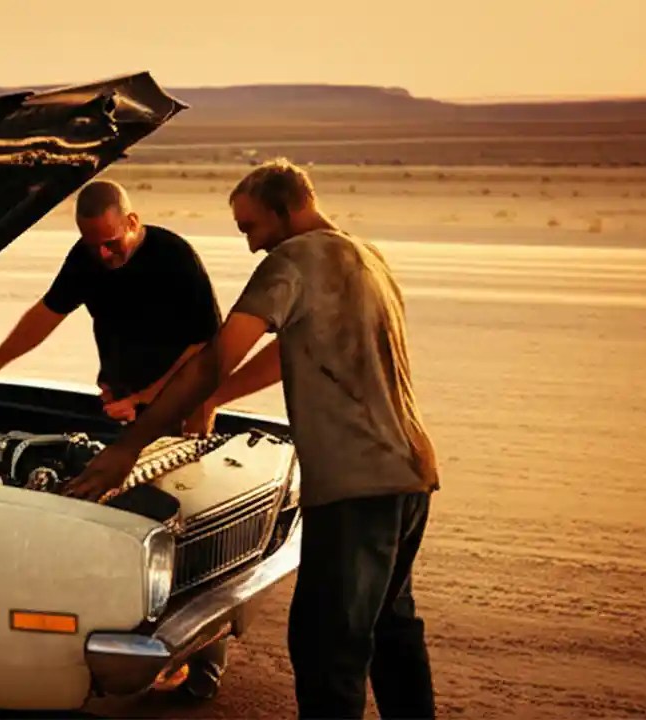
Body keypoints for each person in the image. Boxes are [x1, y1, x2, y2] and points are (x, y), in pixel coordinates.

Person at [65, 159, 440, 719]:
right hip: (410, 474)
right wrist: (214, 401)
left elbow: (216, 356)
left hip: (356, 484)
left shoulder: (293, 260)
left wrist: (129, 446)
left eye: (252, 228)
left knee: (326, 648)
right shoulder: (365, 257)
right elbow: (290, 354)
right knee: (391, 630)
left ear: (285, 211)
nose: (250, 246)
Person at [0, 178, 230, 698]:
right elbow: (46, 315)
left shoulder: (173, 258)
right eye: (93, 243)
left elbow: (207, 347)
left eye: (112, 241)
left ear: (134, 223)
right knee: (124, 519)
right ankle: (128, 638)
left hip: (184, 398)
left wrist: (149, 399)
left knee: (184, 522)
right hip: (123, 398)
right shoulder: (87, 257)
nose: (104, 253)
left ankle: (202, 664)